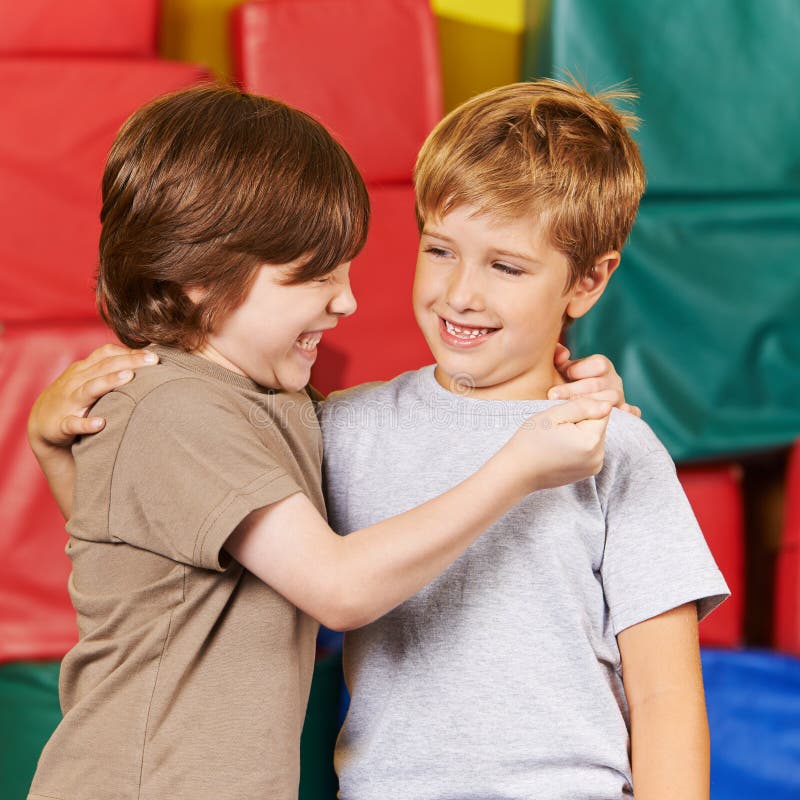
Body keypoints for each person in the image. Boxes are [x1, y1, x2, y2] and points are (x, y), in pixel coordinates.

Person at [23, 83, 620, 800]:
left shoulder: (274, 406)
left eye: (344, 271)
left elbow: (140, 545)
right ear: (196, 277)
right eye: (313, 277)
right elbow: (339, 590)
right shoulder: (172, 407)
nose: (347, 300)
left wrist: (557, 391)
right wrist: (520, 464)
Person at [318, 81, 730, 800]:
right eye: (440, 250)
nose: (460, 294)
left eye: (505, 266)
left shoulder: (617, 448)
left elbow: (666, 697)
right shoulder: (346, 429)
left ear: (588, 281)